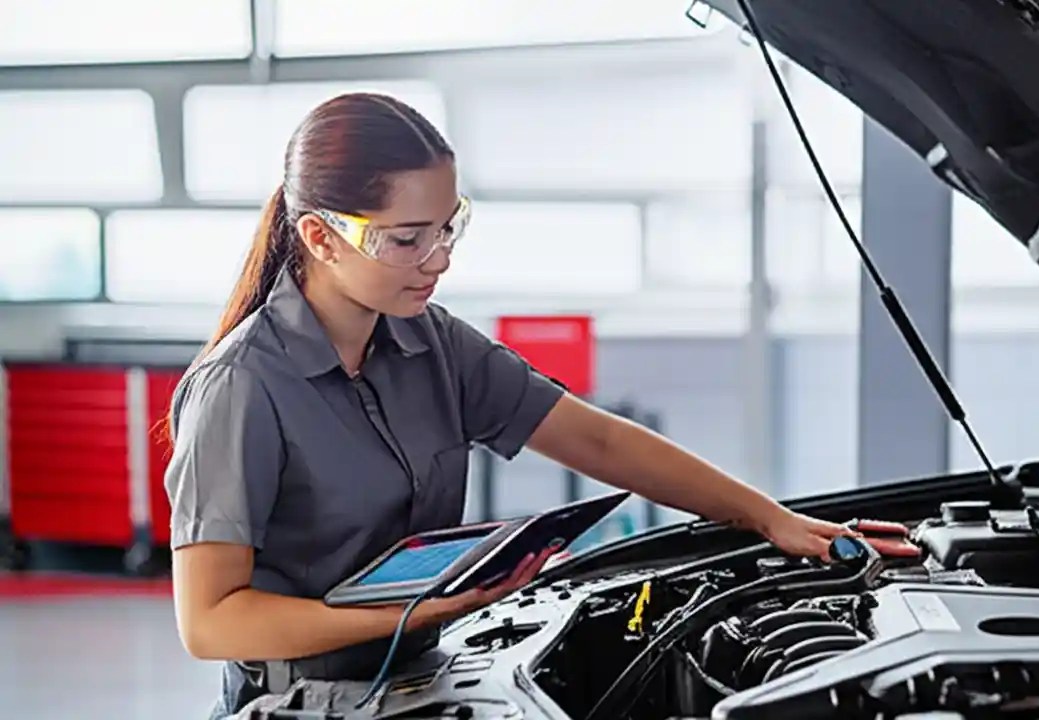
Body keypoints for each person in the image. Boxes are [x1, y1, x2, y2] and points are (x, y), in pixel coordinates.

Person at [163, 92, 915, 719]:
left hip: (419, 682)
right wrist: (416, 616)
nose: (441, 257)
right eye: (406, 239)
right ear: (321, 238)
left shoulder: (432, 343)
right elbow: (211, 620)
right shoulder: (242, 386)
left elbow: (601, 444)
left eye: (450, 225)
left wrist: (769, 517)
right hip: (300, 704)